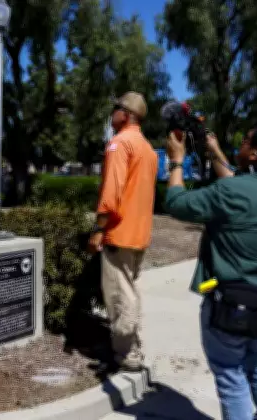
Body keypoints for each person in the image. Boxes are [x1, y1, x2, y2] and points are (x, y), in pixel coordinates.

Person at [163, 116, 257, 420]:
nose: (242, 143)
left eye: (247, 141)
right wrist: (214, 150)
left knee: (230, 374)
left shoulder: (232, 192)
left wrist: (176, 162)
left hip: (227, 303)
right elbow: (237, 182)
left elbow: (176, 202)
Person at [87, 91, 158, 372]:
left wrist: (97, 229)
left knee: (120, 296)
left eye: (115, 108)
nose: (111, 113)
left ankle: (127, 355)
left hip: (119, 232)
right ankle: (132, 348)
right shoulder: (148, 149)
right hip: (139, 233)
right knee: (130, 290)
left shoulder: (119, 144)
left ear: (126, 115)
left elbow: (110, 194)